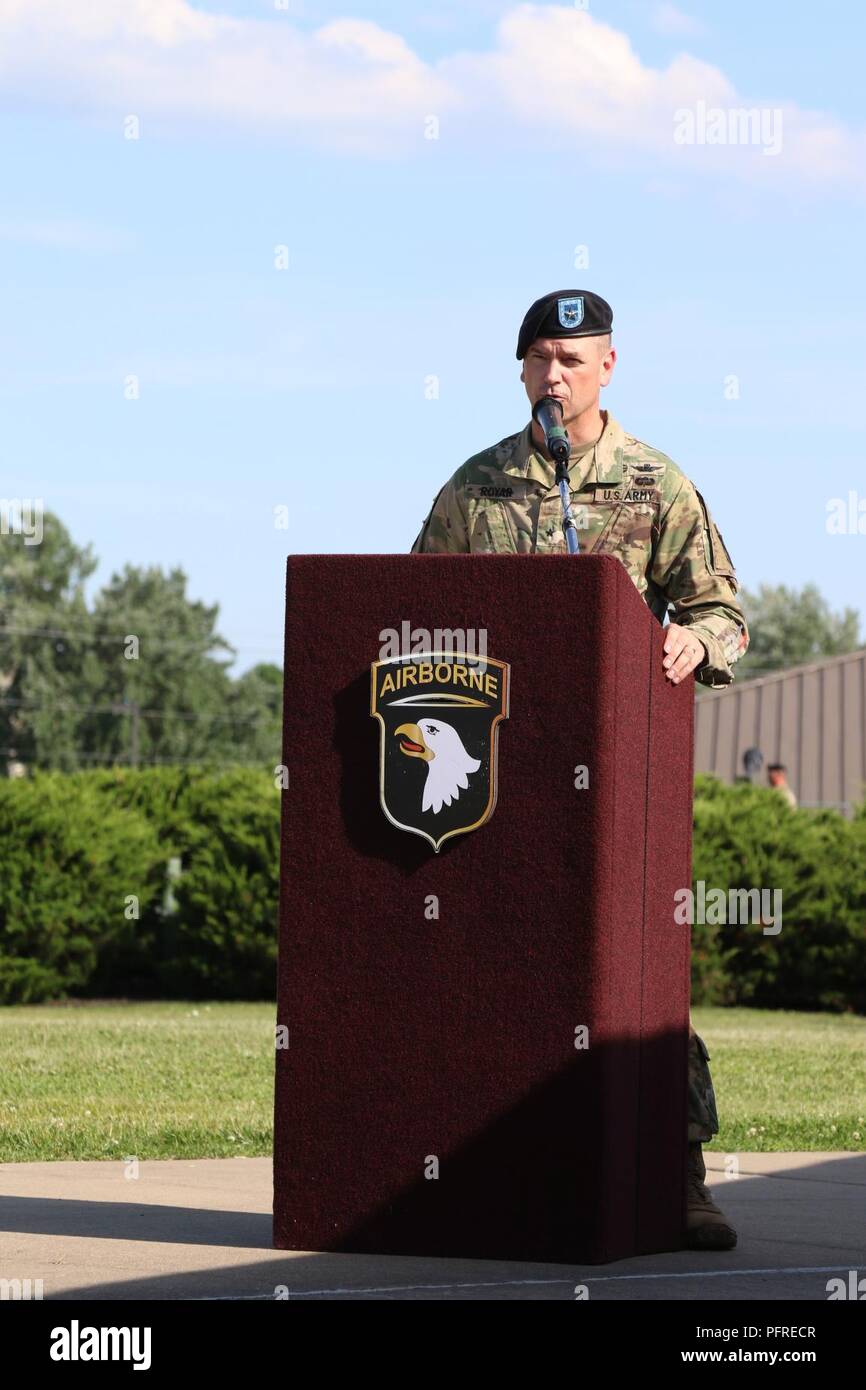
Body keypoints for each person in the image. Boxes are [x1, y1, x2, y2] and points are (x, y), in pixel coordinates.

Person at [411, 288, 749, 1250]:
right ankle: (478, 1169)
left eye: (572, 358)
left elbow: (723, 612)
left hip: (619, 785)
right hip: (499, 786)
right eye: (540, 360)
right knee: (494, 975)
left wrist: (692, 644)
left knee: (639, 975)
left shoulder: (655, 483)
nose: (554, 376)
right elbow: (410, 604)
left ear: (609, 365)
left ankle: (676, 1174)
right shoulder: (474, 490)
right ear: (520, 370)